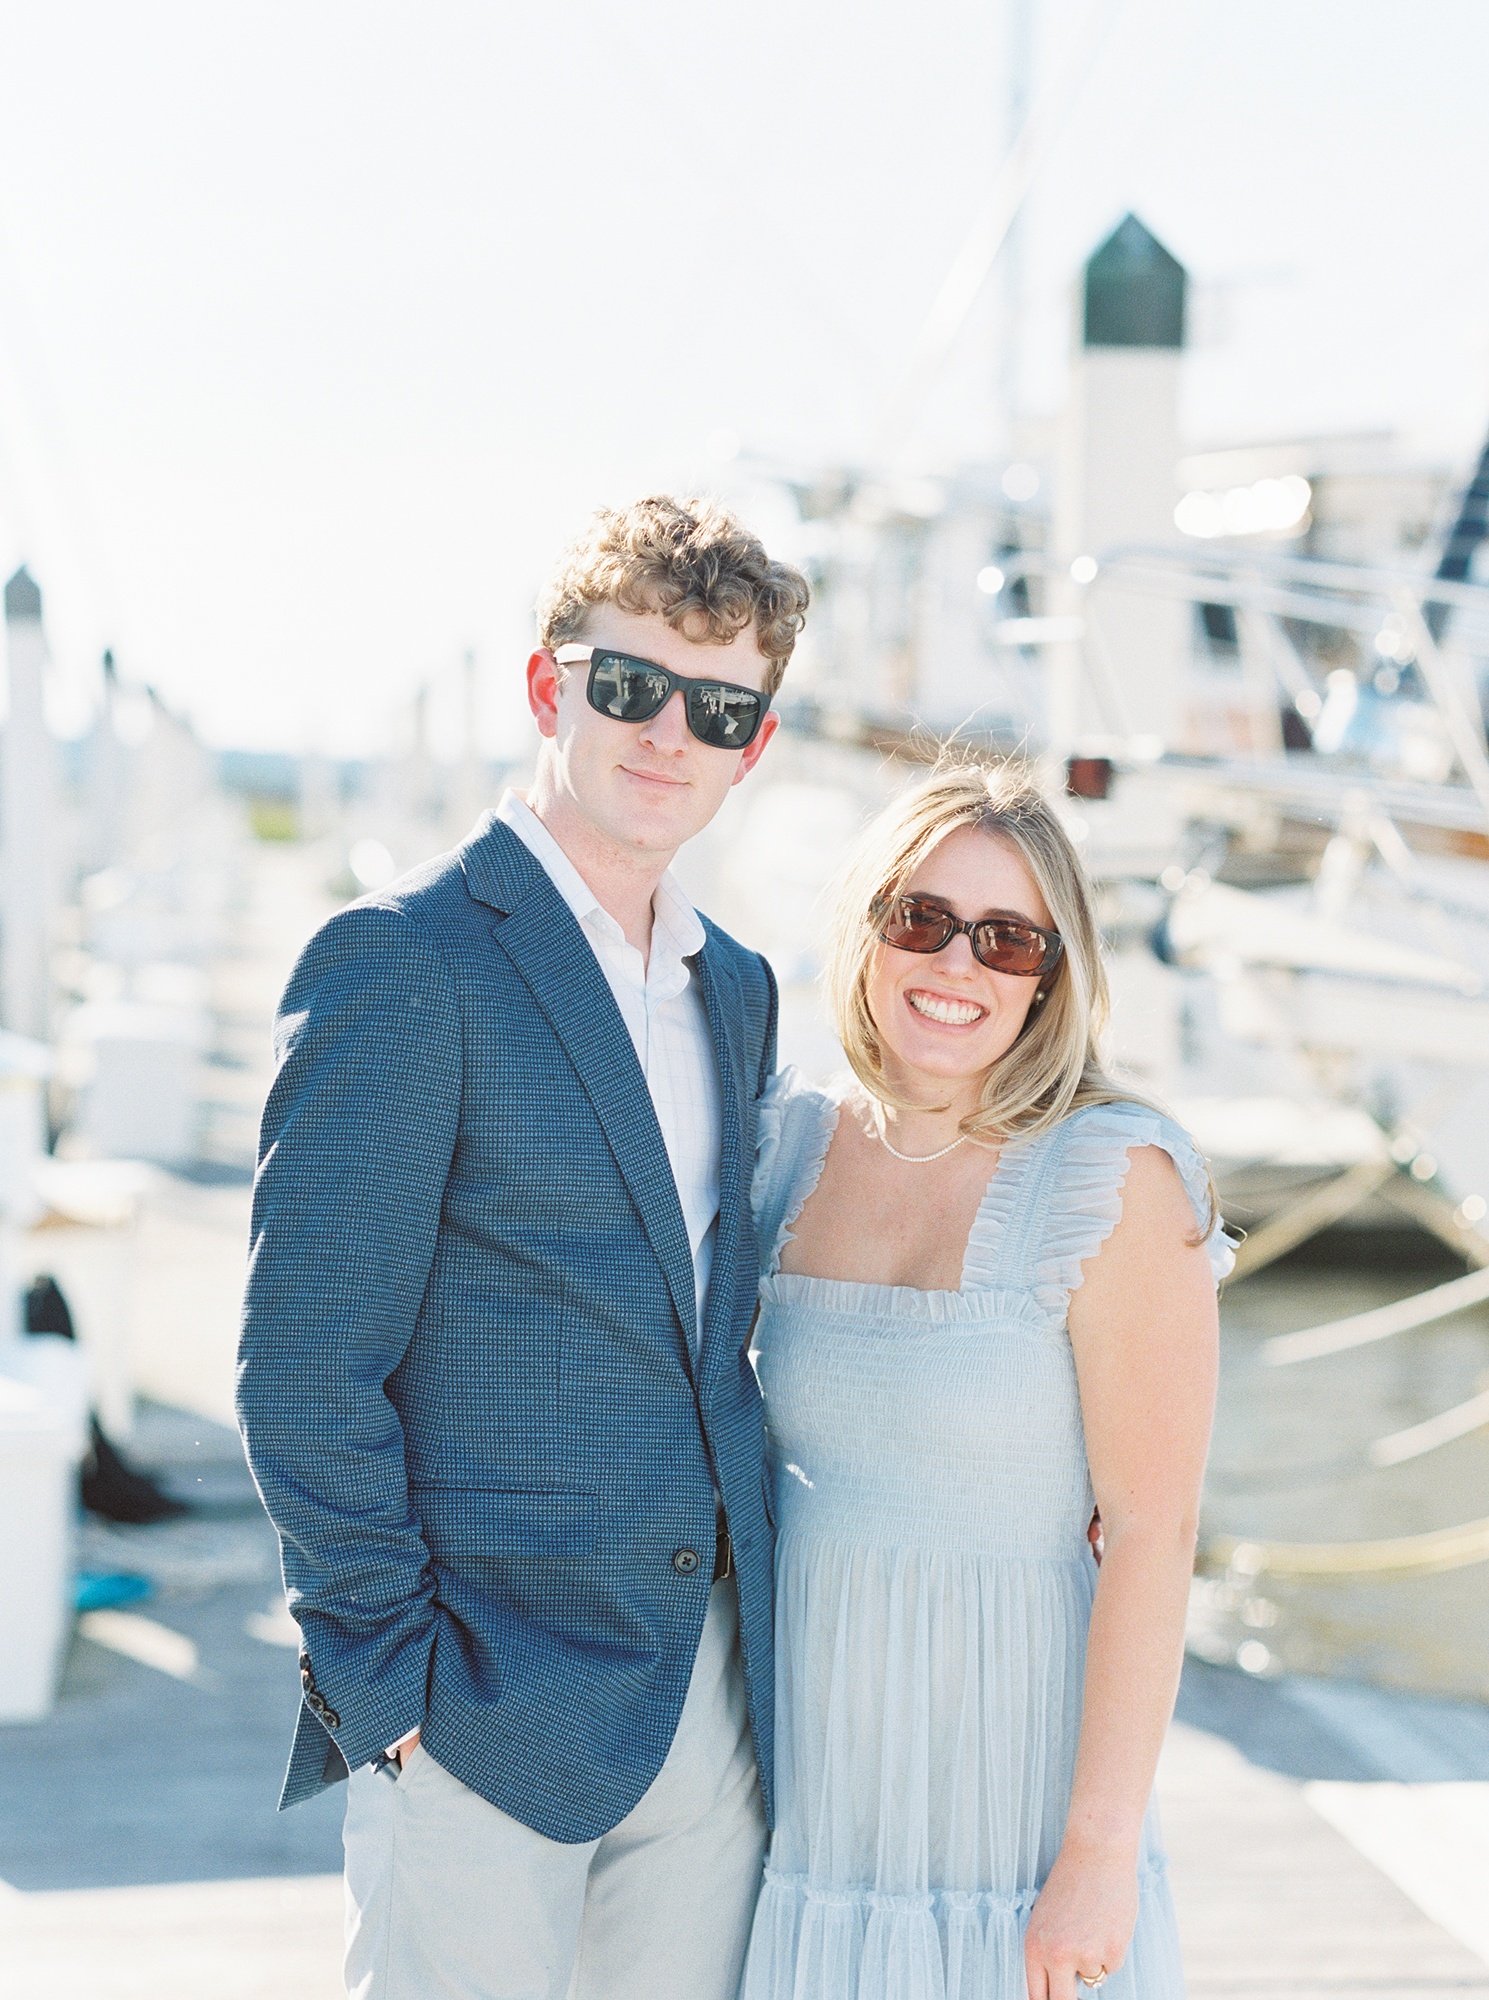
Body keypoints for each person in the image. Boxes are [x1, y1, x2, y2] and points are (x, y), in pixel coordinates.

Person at [236, 496, 808, 2000]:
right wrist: (386, 1679)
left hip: (706, 1687)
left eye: (718, 706)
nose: (666, 732)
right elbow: (304, 1363)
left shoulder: (737, 990)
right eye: (628, 686)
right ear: (553, 689)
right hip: (476, 1695)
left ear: (755, 740)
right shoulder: (404, 963)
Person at [739, 760, 1228, 2000]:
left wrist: (1099, 1851)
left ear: (1052, 974)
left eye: (1007, 939)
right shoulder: (788, 1146)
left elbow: (1157, 1533)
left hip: (1014, 1789)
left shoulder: (1115, 1178)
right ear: (864, 928)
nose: (957, 966)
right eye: (921, 918)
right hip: (819, 1780)